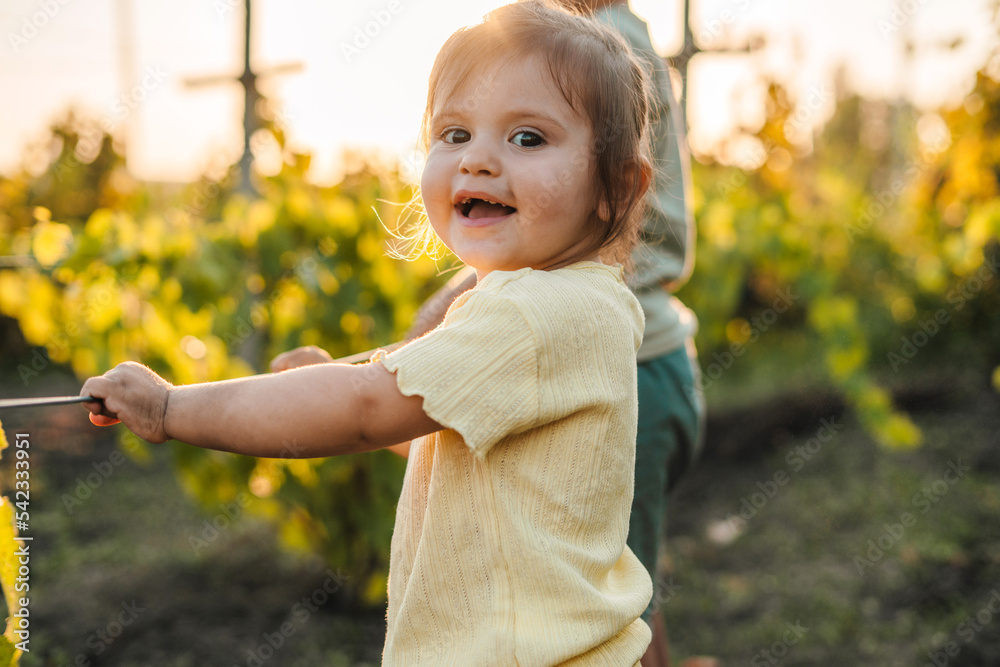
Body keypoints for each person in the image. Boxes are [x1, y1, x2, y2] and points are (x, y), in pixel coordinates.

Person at [82, 2, 661, 663]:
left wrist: (169, 407)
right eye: (454, 133)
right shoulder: (581, 302)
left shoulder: (532, 313)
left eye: (528, 138)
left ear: (617, 187)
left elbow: (364, 409)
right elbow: (445, 433)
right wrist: (328, 379)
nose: (477, 160)